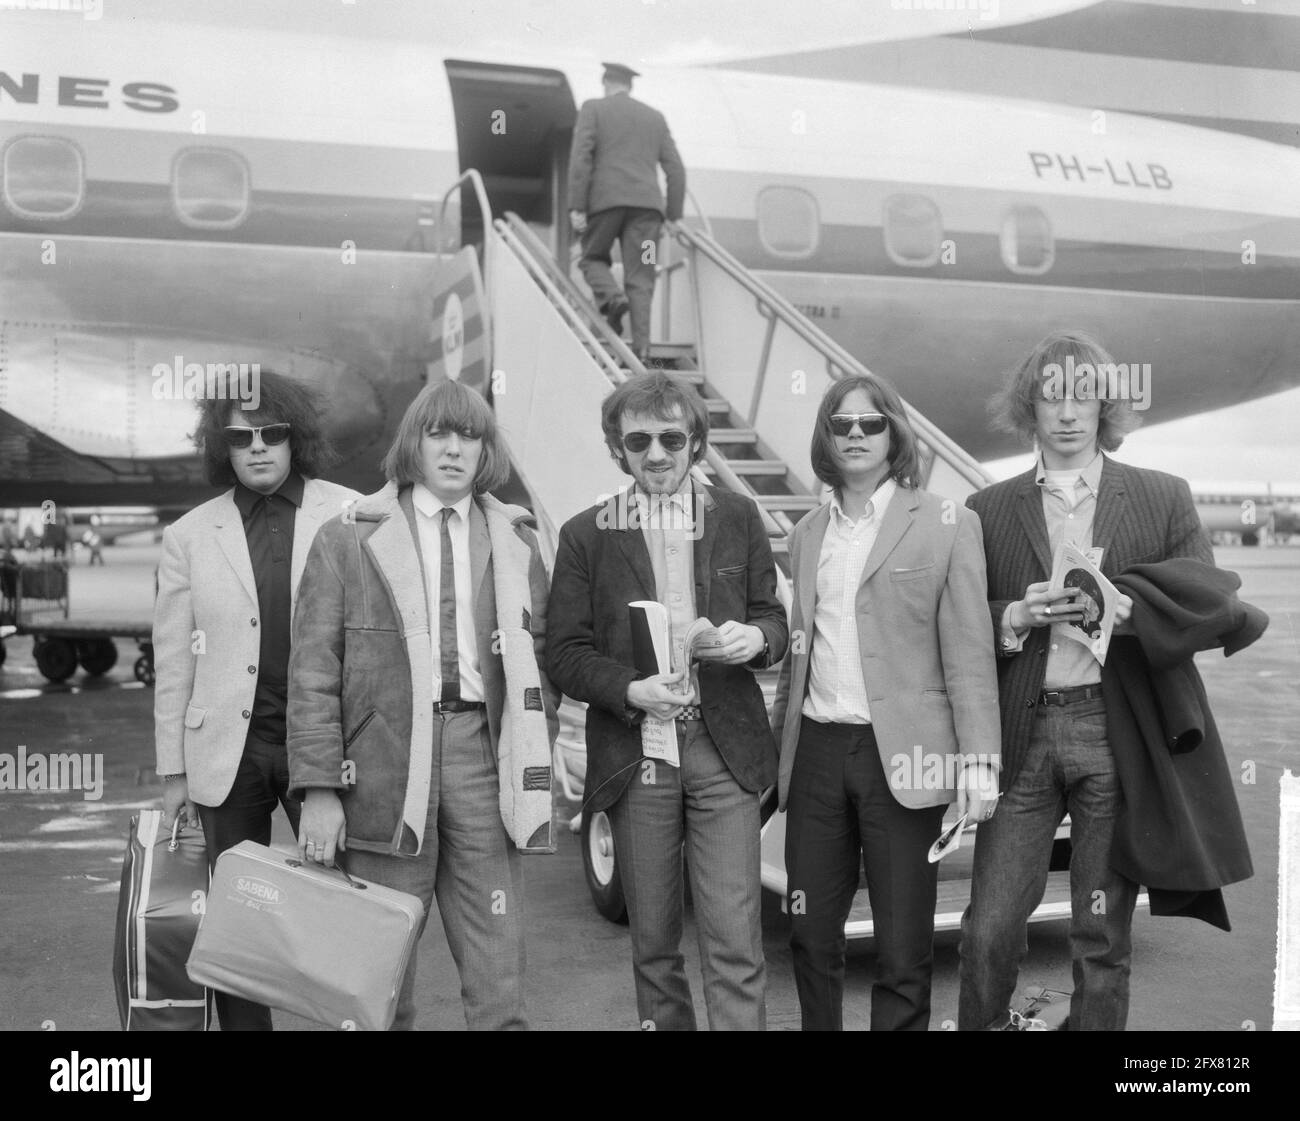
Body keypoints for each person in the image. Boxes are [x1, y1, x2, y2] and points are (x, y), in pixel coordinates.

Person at [957, 329, 1231, 1031]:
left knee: (1100, 936)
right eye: (1053, 397)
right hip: (1024, 727)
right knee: (988, 927)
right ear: (1032, 408)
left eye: (1084, 396)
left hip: (1115, 733)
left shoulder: (1163, 496)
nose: (1069, 412)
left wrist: (1133, 612)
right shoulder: (988, 508)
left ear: (1105, 407)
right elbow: (959, 623)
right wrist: (1015, 613)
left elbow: (1207, 606)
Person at [289, 379, 557, 1031]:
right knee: (374, 983)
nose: (454, 447)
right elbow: (312, 671)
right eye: (439, 432)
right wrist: (320, 789)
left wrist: (527, 747)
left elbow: (544, 658)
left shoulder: (516, 540)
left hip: (480, 756)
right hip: (382, 763)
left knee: (498, 975)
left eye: (470, 435)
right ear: (414, 441)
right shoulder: (346, 538)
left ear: (486, 451)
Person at [546, 371, 788, 1031]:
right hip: (638, 751)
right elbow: (563, 652)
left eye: (671, 438)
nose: (656, 453)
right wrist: (629, 688)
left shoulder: (736, 518)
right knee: (653, 942)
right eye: (639, 440)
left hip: (723, 750)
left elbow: (774, 620)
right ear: (617, 448)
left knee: (735, 940)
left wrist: (754, 638)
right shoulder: (586, 534)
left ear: (697, 444)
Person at [769, 374, 1001, 1031]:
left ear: (894, 433)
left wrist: (979, 762)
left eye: (870, 424)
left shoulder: (949, 524)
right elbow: (799, 650)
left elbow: (969, 654)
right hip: (816, 752)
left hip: (904, 755)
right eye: (841, 425)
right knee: (811, 936)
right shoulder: (807, 532)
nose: (855, 435)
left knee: (903, 947)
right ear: (826, 437)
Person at [153, 369, 357, 1031]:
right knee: (238, 927)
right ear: (223, 446)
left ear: (295, 438)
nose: (259, 447)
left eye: (273, 433)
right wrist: (174, 773)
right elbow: (174, 659)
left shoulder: (354, 512)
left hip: (322, 746)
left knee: (347, 917)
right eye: (242, 437)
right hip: (225, 754)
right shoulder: (188, 536)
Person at [567, 62, 686, 361]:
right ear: (630, 86)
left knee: (591, 257)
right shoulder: (655, 118)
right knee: (642, 276)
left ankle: (612, 297)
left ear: (605, 82)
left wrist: (577, 206)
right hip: (646, 213)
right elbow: (675, 169)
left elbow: (581, 158)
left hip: (606, 206)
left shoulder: (593, 109)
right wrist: (673, 215)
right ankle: (642, 351)